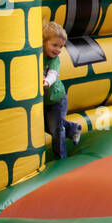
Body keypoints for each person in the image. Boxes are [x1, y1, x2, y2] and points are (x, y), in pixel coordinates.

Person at [41, 21, 82, 160]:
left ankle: (61, 158)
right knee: (49, 127)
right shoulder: (37, 56)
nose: (58, 49)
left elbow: (53, 74)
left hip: (57, 99)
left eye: (61, 46)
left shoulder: (54, 60)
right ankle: (74, 129)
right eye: (54, 45)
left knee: (57, 130)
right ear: (44, 42)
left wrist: (46, 81)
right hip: (45, 102)